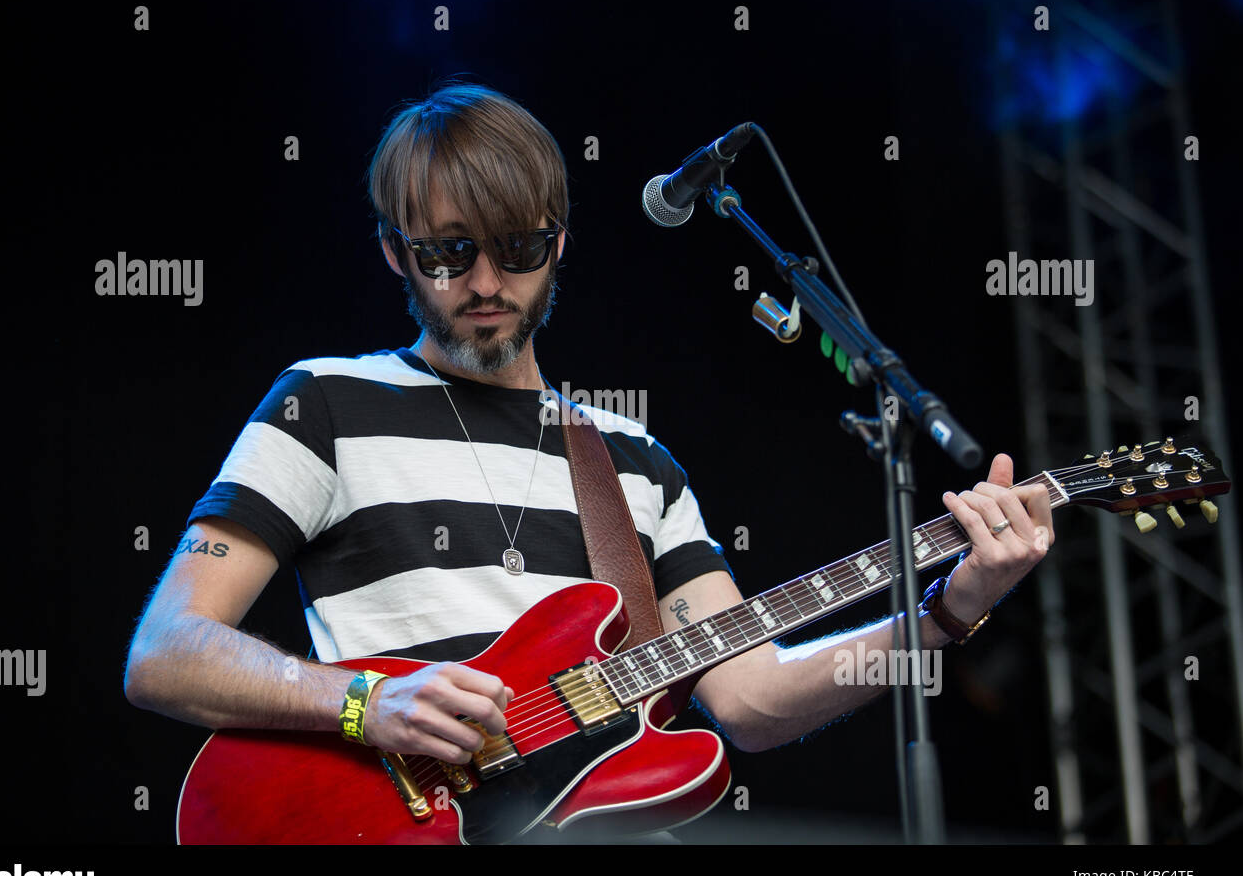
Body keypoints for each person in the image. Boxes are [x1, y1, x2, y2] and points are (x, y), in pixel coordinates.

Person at [124, 83, 1053, 790]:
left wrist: (946, 610)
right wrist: (366, 703)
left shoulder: (636, 463)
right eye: (449, 252)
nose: (486, 281)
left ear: (560, 242)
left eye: (517, 249)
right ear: (394, 250)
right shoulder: (322, 401)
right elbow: (166, 648)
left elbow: (753, 701)